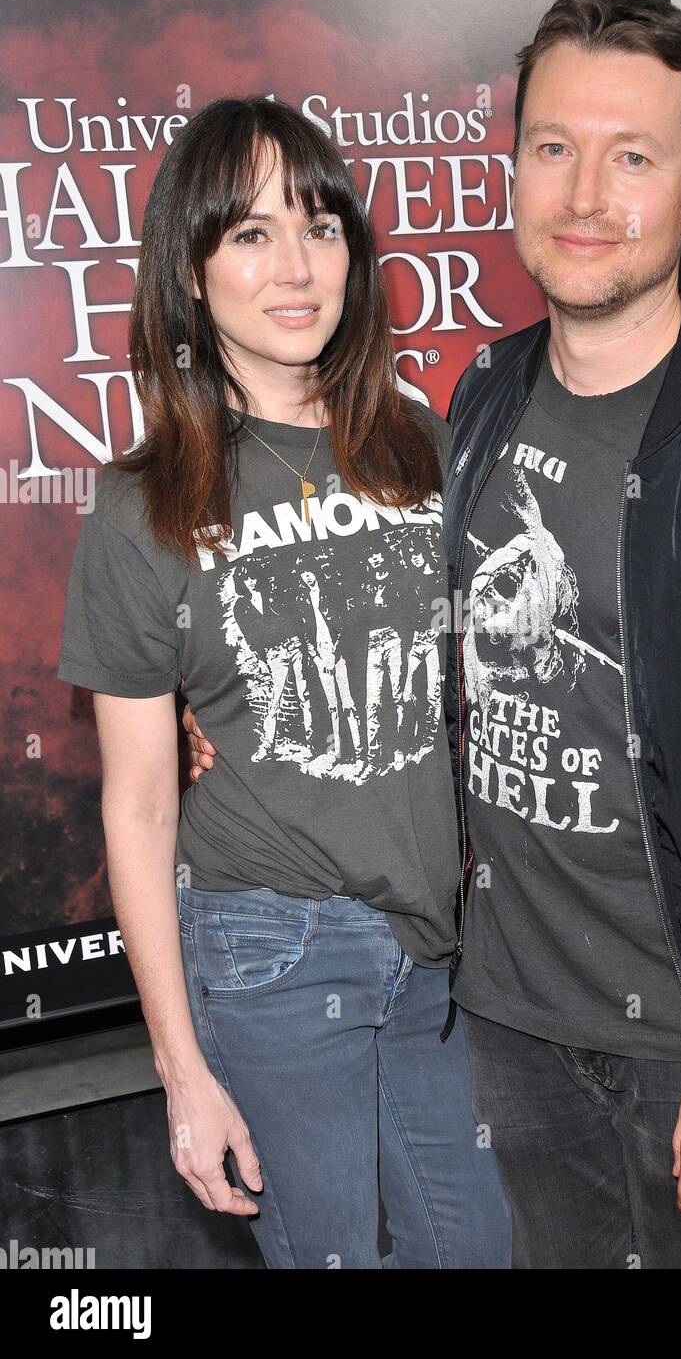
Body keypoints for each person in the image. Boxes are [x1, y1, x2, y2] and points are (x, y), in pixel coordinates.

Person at [186, 0, 681, 1269]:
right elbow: (418, 632)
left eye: (634, 155)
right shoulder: (488, 391)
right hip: (501, 1011)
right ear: (513, 169)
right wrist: (228, 705)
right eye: (554, 147)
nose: (584, 192)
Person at [57, 95, 510, 1270]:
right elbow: (141, 804)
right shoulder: (142, 505)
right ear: (191, 272)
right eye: (250, 234)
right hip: (268, 946)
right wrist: (180, 1073)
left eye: (319, 225)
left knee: (478, 1246)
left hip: (438, 942)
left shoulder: (427, 451)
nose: (296, 266)